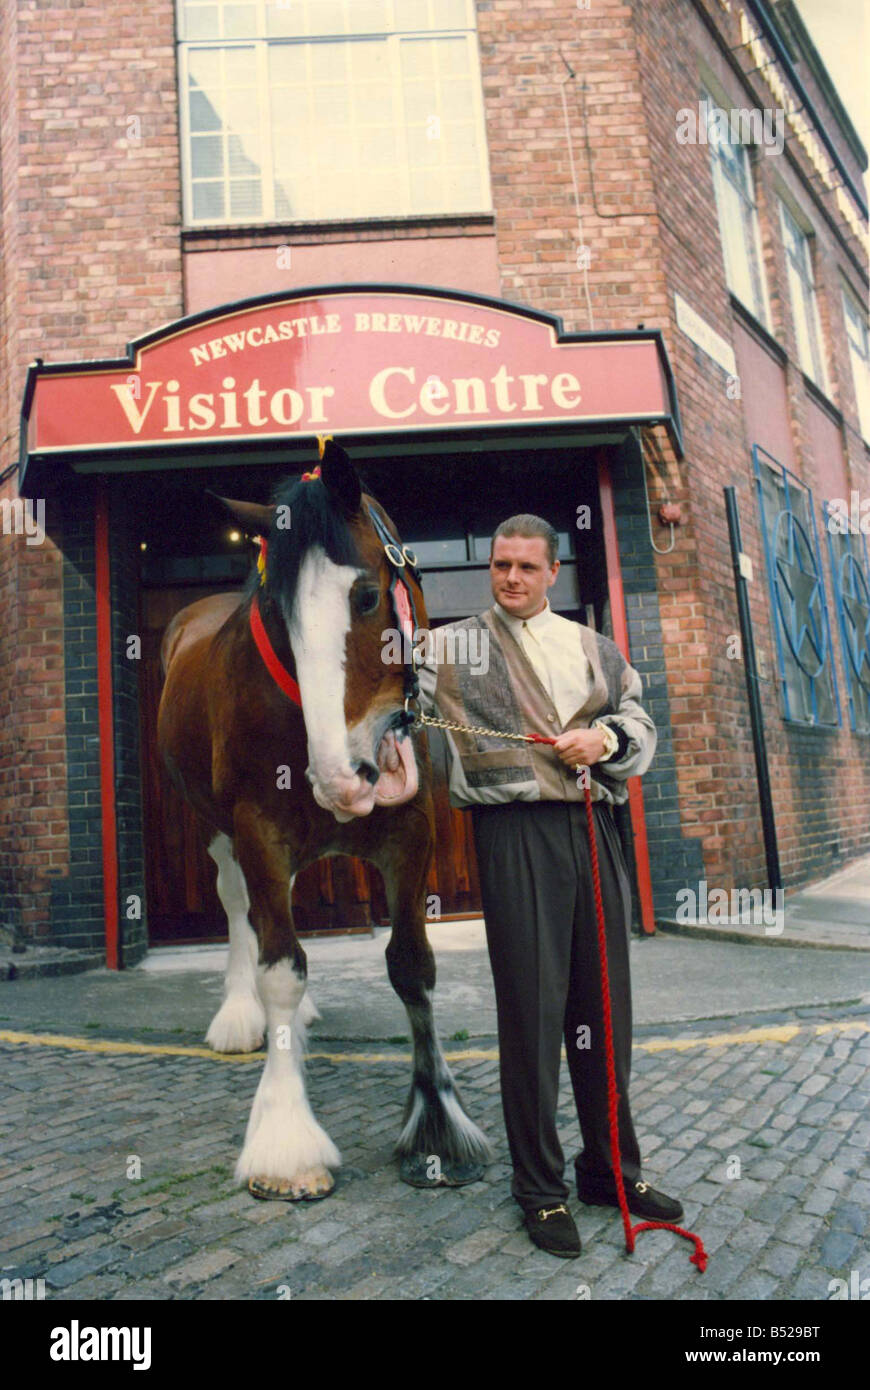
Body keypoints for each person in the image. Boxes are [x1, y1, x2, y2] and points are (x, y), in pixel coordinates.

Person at [415, 513, 683, 1258]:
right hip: (515, 837)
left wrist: (605, 740)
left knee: (604, 1010)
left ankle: (611, 1174)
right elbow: (381, 696)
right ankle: (540, 1191)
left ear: (552, 572)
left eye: (526, 568)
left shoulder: (594, 646)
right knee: (533, 1018)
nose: (510, 579)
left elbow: (639, 723)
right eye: (500, 565)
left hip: (594, 830)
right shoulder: (448, 646)